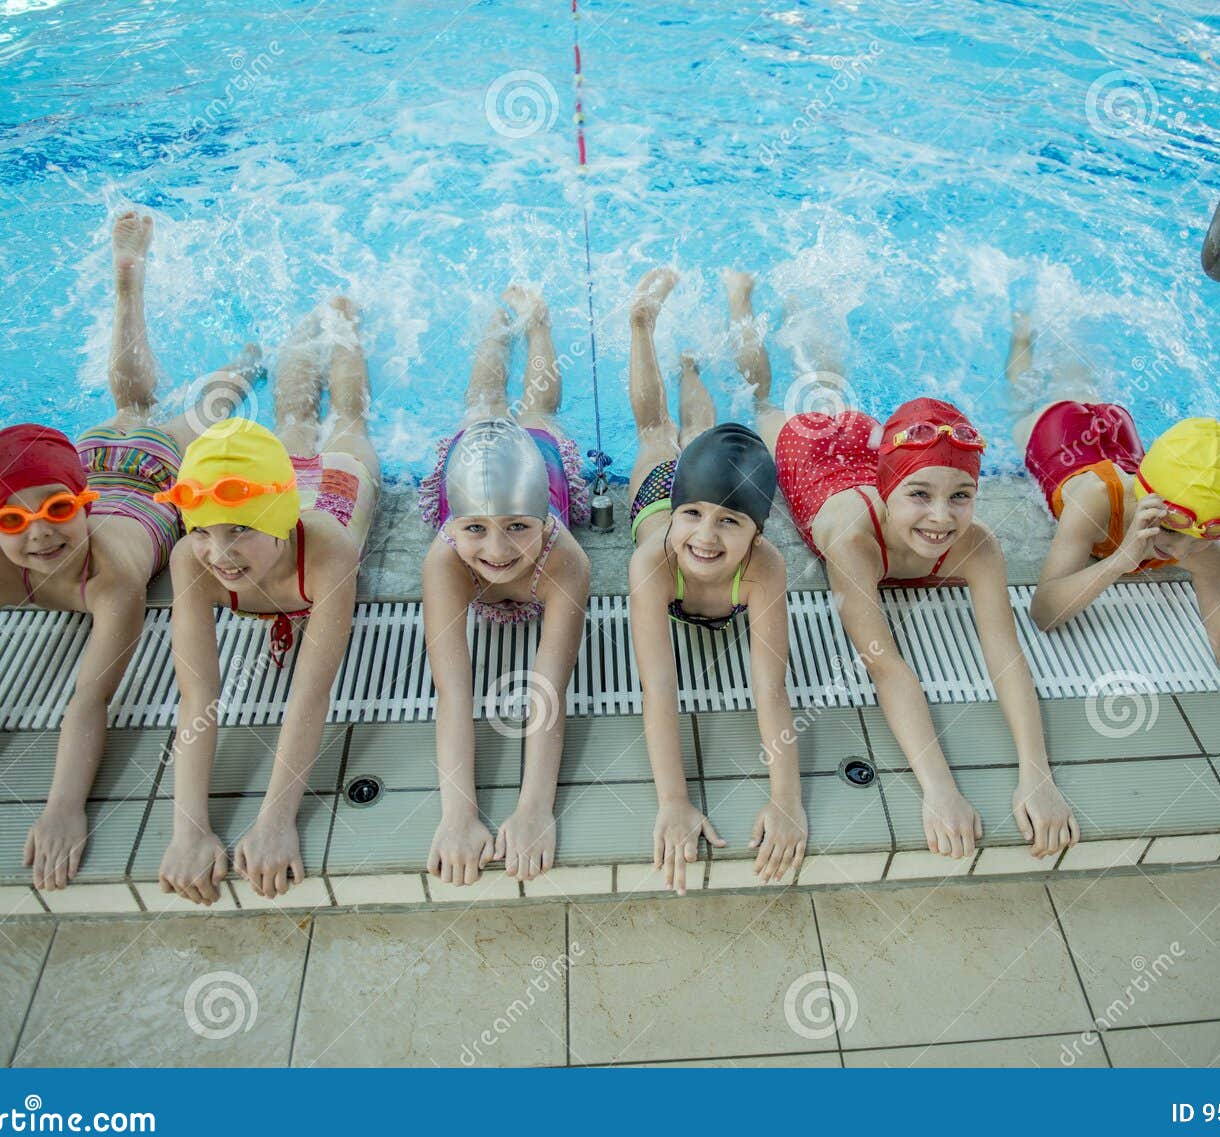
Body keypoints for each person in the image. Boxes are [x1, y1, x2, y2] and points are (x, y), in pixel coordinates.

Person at [0, 210, 260, 894]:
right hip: (81, 460)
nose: (40, 534)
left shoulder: (114, 581)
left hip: (150, 469)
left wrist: (62, 809)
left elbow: (89, 699)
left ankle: (205, 334)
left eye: (55, 514)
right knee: (144, 398)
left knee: (204, 406)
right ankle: (134, 289)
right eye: (12, 523)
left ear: (76, 506)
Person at [752, 288, 1079, 862]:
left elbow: (1005, 656)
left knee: (829, 378)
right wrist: (940, 789)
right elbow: (886, 664)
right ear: (890, 489)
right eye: (921, 496)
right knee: (770, 404)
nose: (941, 518)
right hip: (815, 458)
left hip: (878, 453)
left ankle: (811, 302)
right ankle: (746, 308)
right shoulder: (855, 546)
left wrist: (1038, 775)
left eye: (962, 496)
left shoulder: (975, 545)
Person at [156, 296, 378, 906]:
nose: (219, 554)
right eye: (202, 530)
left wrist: (277, 818)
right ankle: (301, 330)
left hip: (336, 481)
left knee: (348, 426)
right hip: (276, 490)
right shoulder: (192, 561)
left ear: (277, 524)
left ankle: (343, 326)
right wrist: (189, 829)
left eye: (237, 532)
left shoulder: (327, 553)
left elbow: (310, 691)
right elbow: (198, 694)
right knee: (292, 421)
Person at [624, 268, 802, 894]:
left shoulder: (765, 569)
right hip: (655, 502)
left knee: (700, 430)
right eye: (695, 517)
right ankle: (641, 325)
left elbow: (770, 689)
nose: (706, 537)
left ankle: (691, 365)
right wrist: (673, 800)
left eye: (729, 523)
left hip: (695, 492)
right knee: (655, 436)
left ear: (757, 535)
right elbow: (658, 687)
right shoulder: (655, 561)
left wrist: (787, 799)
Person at [417, 287, 591, 887]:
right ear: (452, 525)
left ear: (543, 524)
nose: (496, 551)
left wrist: (534, 807)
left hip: (537, 460)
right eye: (476, 533)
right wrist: (457, 814)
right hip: (474, 468)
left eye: (517, 529)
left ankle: (537, 322)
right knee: (480, 406)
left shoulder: (563, 560)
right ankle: (496, 330)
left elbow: (549, 689)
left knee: (540, 410)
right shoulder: (445, 560)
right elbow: (454, 694)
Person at [1008, 312, 1220, 675]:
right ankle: (1026, 331)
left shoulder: (1204, 548)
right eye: (1167, 529)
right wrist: (1119, 561)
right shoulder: (1095, 503)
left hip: (1120, 437)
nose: (1179, 550)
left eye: (1195, 539)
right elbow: (1043, 614)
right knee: (1021, 400)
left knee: (1081, 382)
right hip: (1056, 435)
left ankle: (1068, 321)